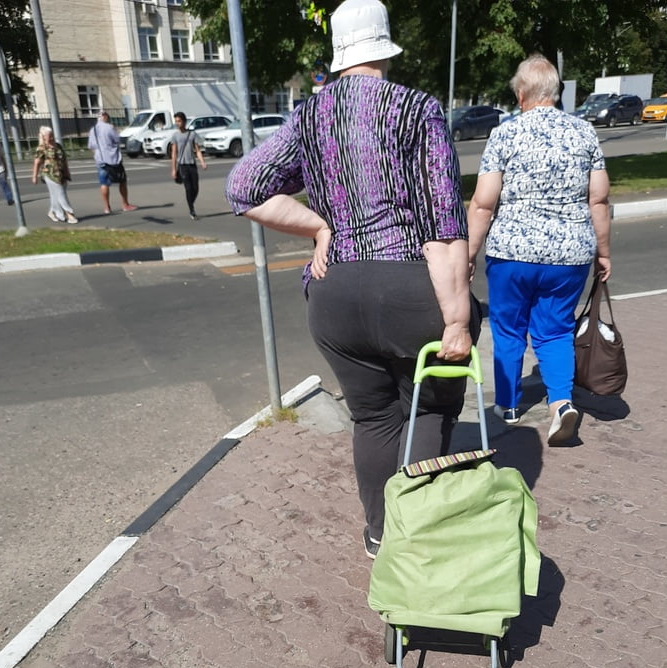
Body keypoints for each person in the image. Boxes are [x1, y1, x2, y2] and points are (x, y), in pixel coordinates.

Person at [226, 0, 476, 559]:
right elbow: (442, 222)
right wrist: (457, 318)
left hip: (334, 294)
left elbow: (243, 187)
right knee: (430, 408)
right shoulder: (416, 109)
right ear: (385, 48)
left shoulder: (308, 116)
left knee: (373, 416)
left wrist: (318, 226)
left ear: (339, 53)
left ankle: (380, 533)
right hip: (411, 287)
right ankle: (419, 534)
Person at [467, 54, 611, 447]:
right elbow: (598, 199)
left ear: (520, 94)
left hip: (512, 251)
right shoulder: (584, 133)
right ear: (556, 92)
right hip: (569, 253)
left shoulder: (505, 134)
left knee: (508, 328)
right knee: (555, 330)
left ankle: (508, 405)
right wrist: (603, 252)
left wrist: (468, 254)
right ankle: (561, 403)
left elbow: (483, 204)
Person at [87, 110, 137, 214]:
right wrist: (114, 130)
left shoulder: (93, 130)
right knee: (122, 181)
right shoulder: (109, 128)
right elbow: (117, 140)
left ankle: (107, 207)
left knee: (104, 183)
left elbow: (91, 146)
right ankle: (125, 204)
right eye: (107, 116)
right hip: (112, 159)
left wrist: (97, 154)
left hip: (100, 160)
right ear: (105, 117)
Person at [31, 126, 78, 224]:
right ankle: (69, 213)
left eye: (52, 135)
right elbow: (37, 162)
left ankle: (52, 212)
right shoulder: (41, 148)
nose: (52, 138)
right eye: (50, 136)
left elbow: (64, 160)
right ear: (44, 137)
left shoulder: (58, 146)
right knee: (60, 194)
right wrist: (34, 176)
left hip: (61, 173)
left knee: (55, 195)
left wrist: (67, 172)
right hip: (50, 174)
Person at [170, 112, 206, 220]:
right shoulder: (175, 136)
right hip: (182, 165)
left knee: (195, 188)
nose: (177, 123)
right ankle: (192, 210)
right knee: (188, 188)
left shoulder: (192, 134)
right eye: (176, 121)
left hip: (192, 164)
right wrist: (173, 169)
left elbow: (197, 150)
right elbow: (174, 153)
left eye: (179, 121)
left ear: (184, 121)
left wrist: (202, 162)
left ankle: (191, 202)